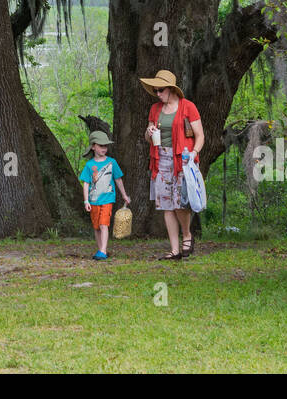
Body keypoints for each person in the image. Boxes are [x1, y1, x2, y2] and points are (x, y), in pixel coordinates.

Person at [142, 69, 204, 260]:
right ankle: (175, 249)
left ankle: (187, 235)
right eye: (155, 90)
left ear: (171, 89)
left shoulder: (188, 107)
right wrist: (149, 131)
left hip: (183, 160)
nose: (157, 94)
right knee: (166, 205)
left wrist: (193, 154)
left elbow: (200, 136)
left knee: (180, 203)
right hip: (161, 159)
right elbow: (148, 138)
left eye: (160, 90)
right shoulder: (155, 109)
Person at [80, 130, 130, 260]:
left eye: (105, 146)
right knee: (96, 226)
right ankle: (100, 249)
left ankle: (103, 250)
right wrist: (86, 201)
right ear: (93, 146)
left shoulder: (112, 162)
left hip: (107, 199)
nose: (104, 148)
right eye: (101, 145)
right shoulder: (89, 165)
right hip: (93, 200)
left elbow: (118, 179)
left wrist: (124, 195)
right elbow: (86, 184)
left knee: (103, 224)